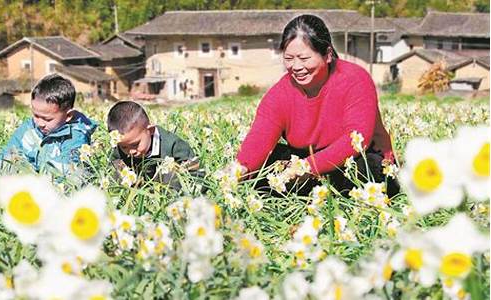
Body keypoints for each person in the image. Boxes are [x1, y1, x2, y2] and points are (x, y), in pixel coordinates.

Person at [235, 14, 399, 197]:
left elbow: (356, 139)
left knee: (366, 169)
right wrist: (239, 170)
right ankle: (311, 200)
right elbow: (259, 138)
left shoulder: (355, 79)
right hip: (305, 164)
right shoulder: (279, 94)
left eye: (304, 58)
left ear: (328, 54)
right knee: (270, 163)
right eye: (289, 58)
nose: (296, 67)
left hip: (356, 159)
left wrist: (308, 167)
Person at [0, 74, 97, 176]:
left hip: (56, 181)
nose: (40, 123)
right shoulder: (28, 128)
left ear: (68, 116)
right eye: (36, 115)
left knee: (77, 173)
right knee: (6, 161)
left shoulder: (75, 136)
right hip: (30, 177)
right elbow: (6, 153)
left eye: (47, 119)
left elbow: (68, 168)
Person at [107, 100, 201, 191]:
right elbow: (113, 172)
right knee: (117, 173)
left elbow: (197, 173)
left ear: (150, 131)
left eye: (135, 144)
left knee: (170, 173)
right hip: (138, 192)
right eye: (124, 147)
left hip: (171, 194)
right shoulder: (118, 151)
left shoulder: (174, 145)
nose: (131, 151)